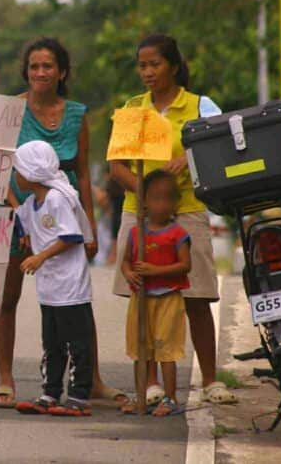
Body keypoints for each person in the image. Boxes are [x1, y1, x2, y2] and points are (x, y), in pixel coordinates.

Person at [0, 37, 126, 409]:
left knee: (76, 301)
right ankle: (5, 378)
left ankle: (91, 380)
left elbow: (83, 174)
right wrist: (22, 216)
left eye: (47, 66)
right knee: (8, 295)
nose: (40, 72)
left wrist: (90, 228)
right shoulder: (10, 111)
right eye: (33, 66)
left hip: (63, 217)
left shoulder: (76, 114)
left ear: (62, 72)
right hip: (18, 211)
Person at [110, 33, 238, 406]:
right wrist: (148, 198)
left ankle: (211, 380)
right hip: (141, 215)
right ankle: (151, 382)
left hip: (187, 211)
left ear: (174, 66)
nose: (147, 72)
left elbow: (224, 146)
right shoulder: (134, 109)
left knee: (196, 295)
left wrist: (191, 158)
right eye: (142, 66)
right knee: (145, 297)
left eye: (155, 64)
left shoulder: (200, 106)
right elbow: (116, 166)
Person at [10, 140, 95, 417]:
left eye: (18, 171)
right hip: (50, 289)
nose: (16, 176)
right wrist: (2, 191)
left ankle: (80, 396)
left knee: (77, 343)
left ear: (32, 173)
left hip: (70, 285)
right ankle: (50, 392)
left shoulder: (57, 200)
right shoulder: (34, 202)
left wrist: (40, 257)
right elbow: (18, 214)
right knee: (52, 343)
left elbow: (71, 237)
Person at [121, 170, 192, 417]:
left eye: (166, 199)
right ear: (144, 201)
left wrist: (156, 270)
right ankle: (141, 394)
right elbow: (126, 261)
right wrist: (130, 274)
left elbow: (185, 265)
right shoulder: (135, 232)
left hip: (168, 298)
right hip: (141, 299)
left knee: (166, 350)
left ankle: (171, 398)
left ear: (175, 203)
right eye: (154, 198)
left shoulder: (178, 234)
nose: (160, 204)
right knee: (140, 349)